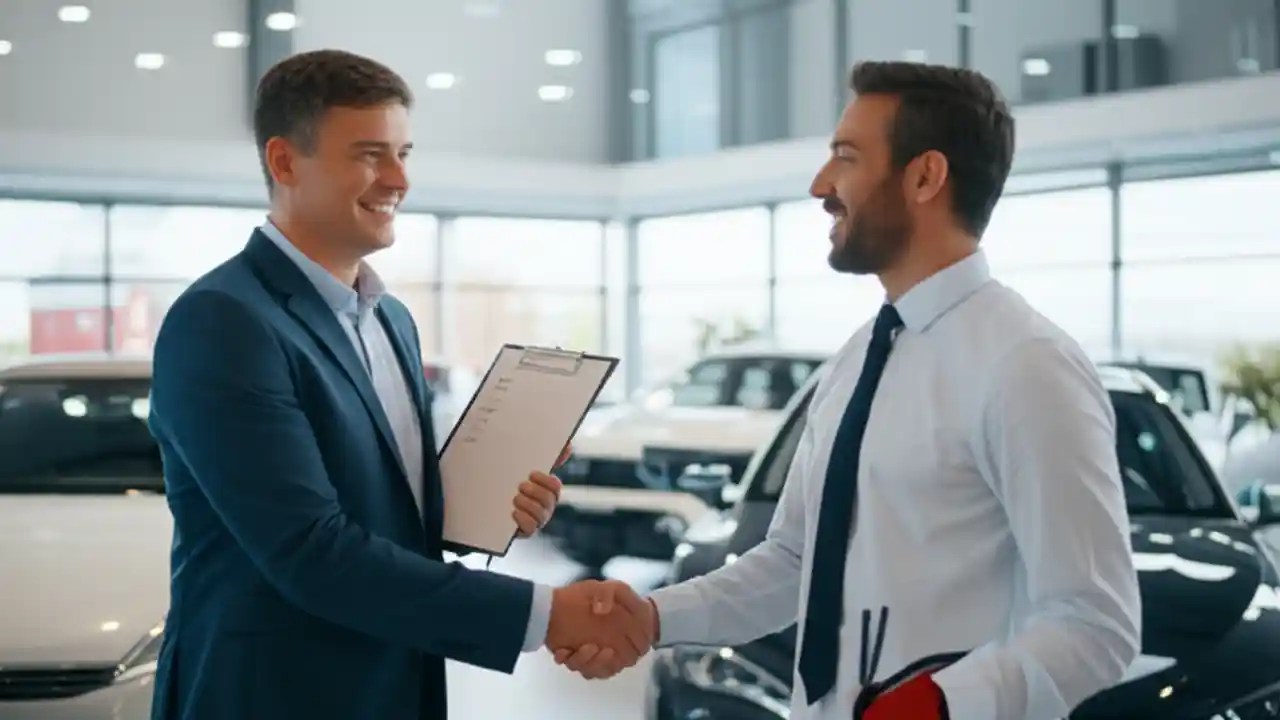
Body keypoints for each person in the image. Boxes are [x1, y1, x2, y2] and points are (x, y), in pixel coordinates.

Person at [558, 61, 1143, 719]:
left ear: (924, 177)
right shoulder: (856, 359)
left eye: (846, 156)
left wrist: (940, 705)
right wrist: (653, 616)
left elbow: (1096, 622)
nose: (820, 185)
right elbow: (794, 562)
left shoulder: (1028, 365)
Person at [147, 49, 651, 720]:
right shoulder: (224, 321)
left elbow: (388, 517)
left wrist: (484, 506)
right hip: (273, 694)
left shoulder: (392, 320)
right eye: (369, 155)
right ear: (284, 162)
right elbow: (309, 551)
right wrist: (546, 613)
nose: (399, 179)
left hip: (395, 680)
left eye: (404, 153)